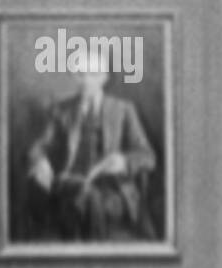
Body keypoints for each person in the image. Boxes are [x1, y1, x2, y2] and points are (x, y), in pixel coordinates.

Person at [26, 63, 156, 241]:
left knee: (88, 199)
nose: (86, 81)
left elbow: (147, 156)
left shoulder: (123, 109)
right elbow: (40, 146)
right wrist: (40, 161)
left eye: (93, 74)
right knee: (85, 196)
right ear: (74, 77)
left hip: (112, 190)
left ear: (104, 78)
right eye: (80, 74)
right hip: (69, 184)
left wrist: (124, 162)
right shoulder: (62, 110)